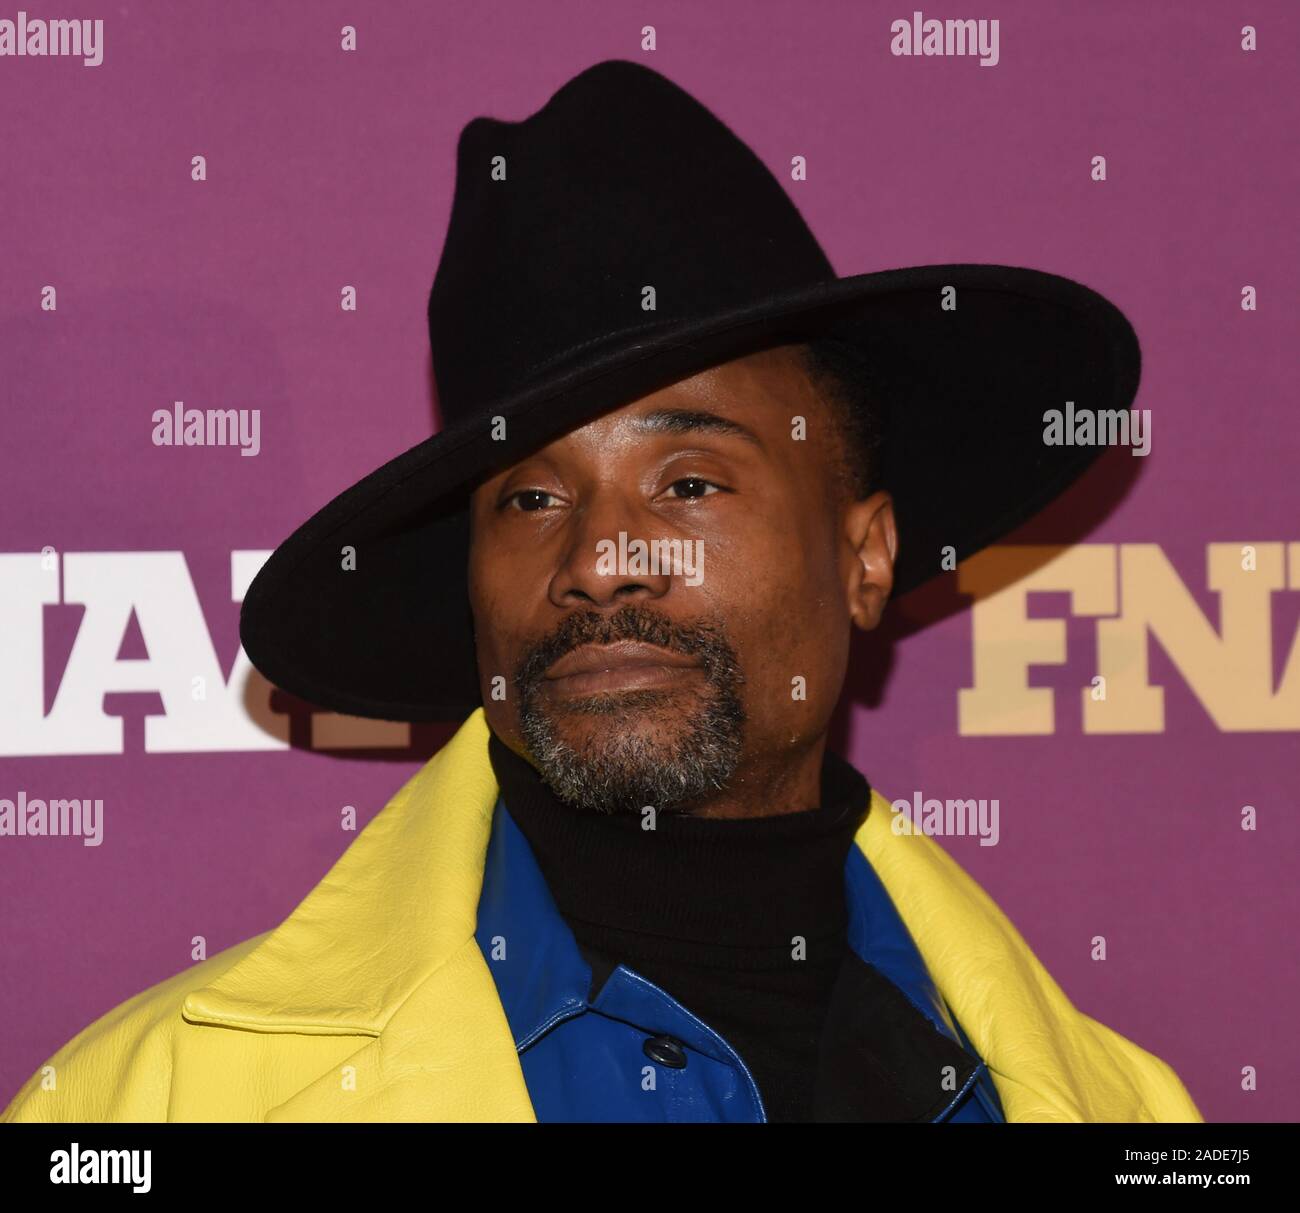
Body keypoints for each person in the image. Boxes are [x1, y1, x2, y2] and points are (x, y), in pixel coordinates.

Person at [3, 58, 1201, 1124]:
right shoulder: (149, 1105)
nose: (596, 559)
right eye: (530, 499)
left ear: (865, 555)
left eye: (686, 480)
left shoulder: (1122, 1111)